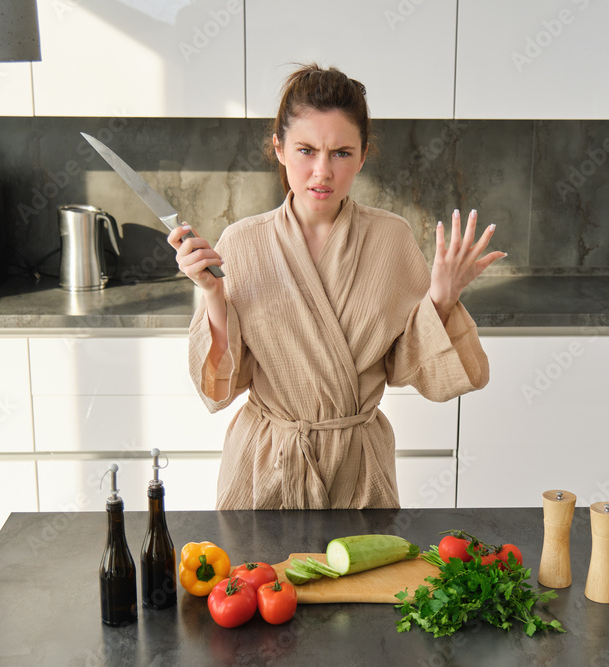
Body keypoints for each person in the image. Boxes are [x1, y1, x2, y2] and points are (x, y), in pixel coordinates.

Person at [168, 64, 505, 510]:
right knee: (254, 561)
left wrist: (442, 297)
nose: (322, 171)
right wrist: (213, 293)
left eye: (341, 153)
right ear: (279, 148)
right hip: (265, 463)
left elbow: (408, 366)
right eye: (306, 150)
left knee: (365, 561)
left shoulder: (391, 238)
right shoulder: (241, 243)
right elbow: (223, 385)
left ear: (363, 156)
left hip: (358, 467)